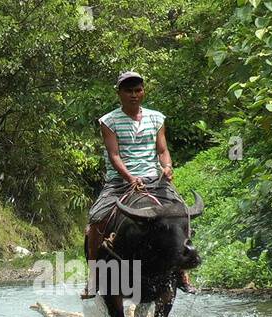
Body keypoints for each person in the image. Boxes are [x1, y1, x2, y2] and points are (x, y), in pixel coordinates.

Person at [82, 71, 196, 299]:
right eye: (128, 91)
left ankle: (182, 270)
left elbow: (162, 150)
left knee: (180, 213)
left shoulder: (156, 118)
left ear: (143, 92)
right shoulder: (109, 121)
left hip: (155, 181)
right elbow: (114, 155)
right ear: (119, 94)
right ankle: (94, 275)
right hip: (120, 183)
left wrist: (167, 167)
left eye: (138, 90)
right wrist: (130, 178)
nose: (134, 95)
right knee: (96, 218)